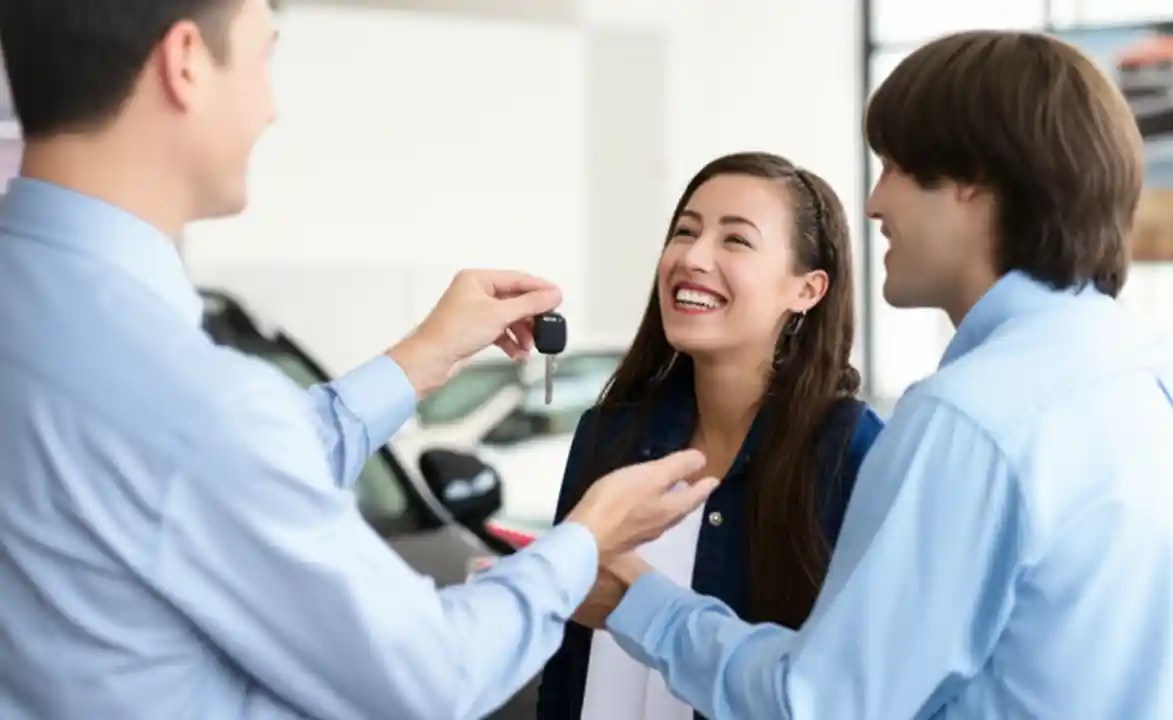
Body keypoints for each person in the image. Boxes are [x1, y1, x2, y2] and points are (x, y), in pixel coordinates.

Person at [0, 2, 720, 718]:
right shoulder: (195, 404)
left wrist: (421, 357)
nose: (271, 109)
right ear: (185, 63)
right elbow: (432, 676)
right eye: (263, 57)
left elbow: (214, 476)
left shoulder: (61, 329)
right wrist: (586, 540)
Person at [577, 30, 1173, 719]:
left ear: (973, 180)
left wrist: (641, 603)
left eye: (895, 168)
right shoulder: (1160, 374)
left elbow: (821, 705)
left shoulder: (969, 418)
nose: (875, 204)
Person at [537, 152, 885, 720]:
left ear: (808, 290)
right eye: (685, 232)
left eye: (736, 240)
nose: (692, 258)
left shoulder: (851, 451)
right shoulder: (608, 435)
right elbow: (565, 660)